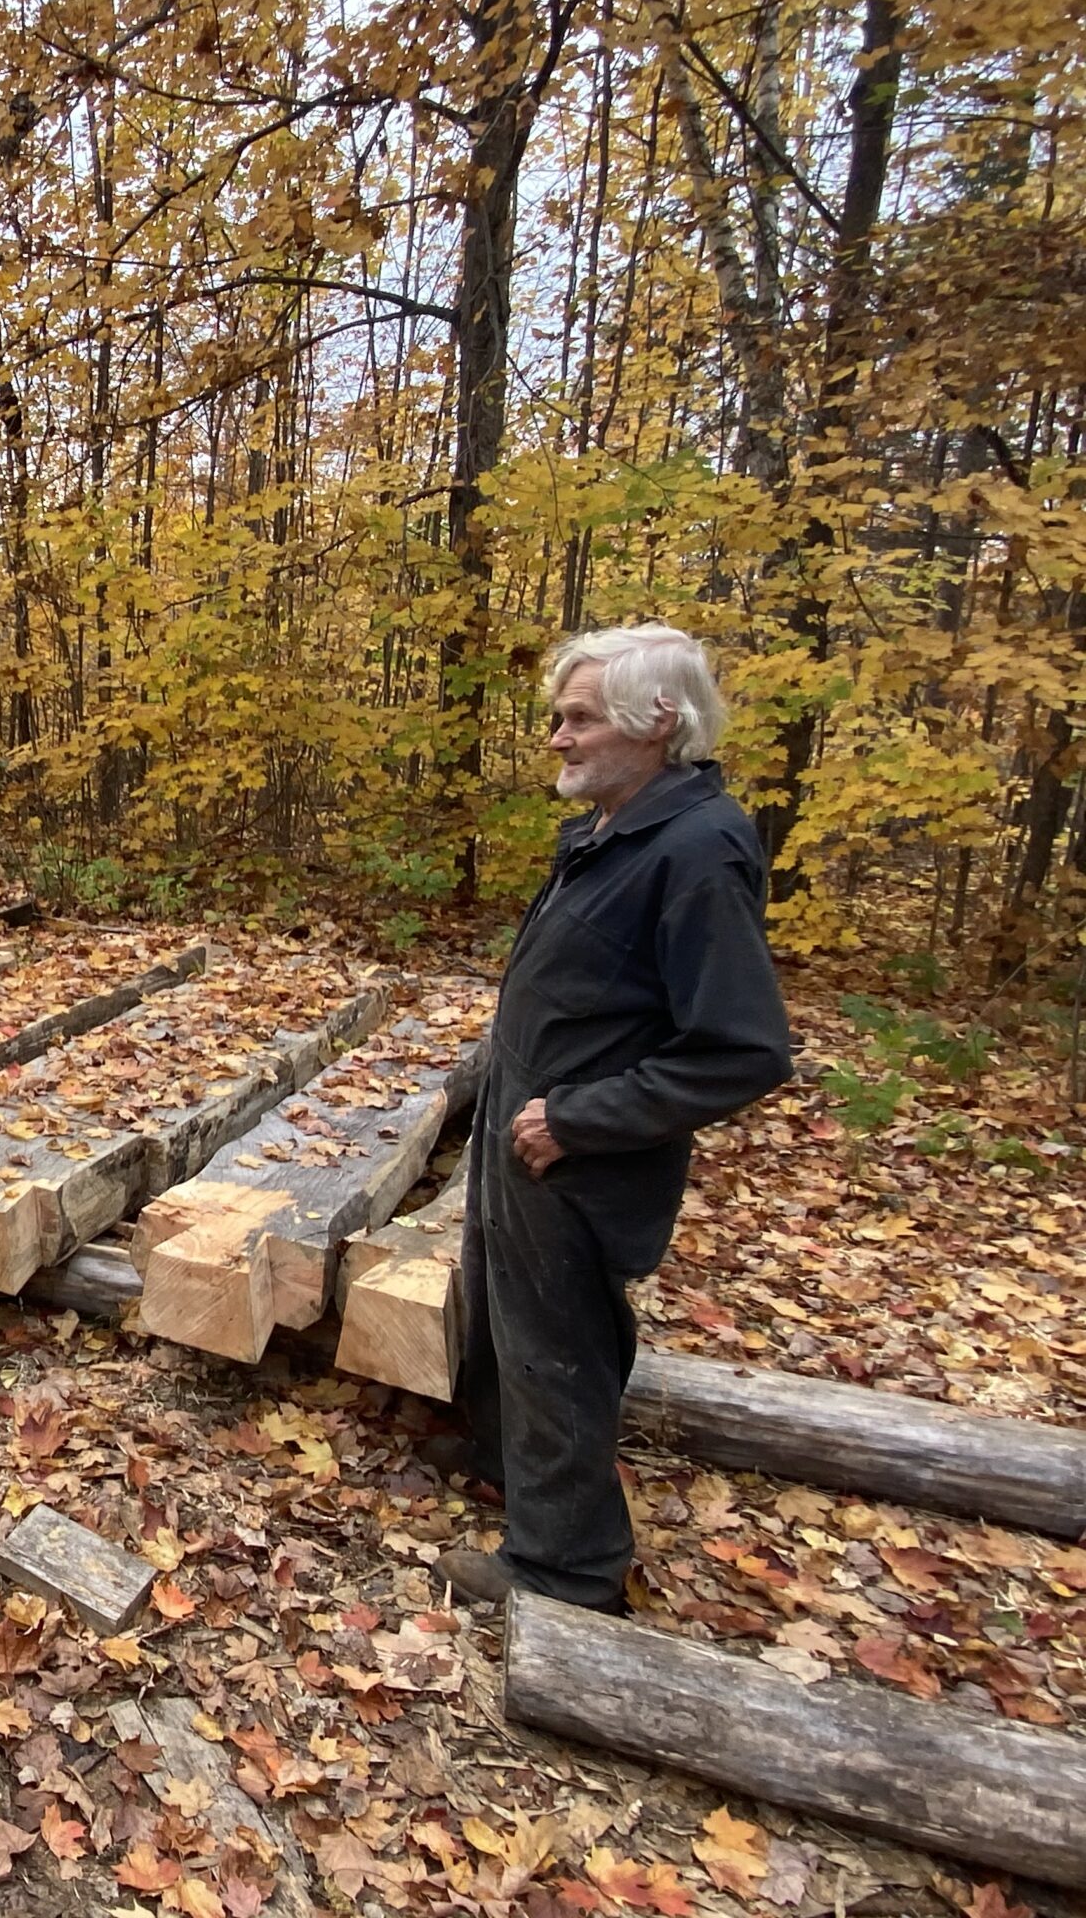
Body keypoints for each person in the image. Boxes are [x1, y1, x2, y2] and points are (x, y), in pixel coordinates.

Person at [435, 624, 793, 1613]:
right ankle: (511, 1472)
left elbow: (744, 1049)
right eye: (559, 717)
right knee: (515, 1325)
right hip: (528, 1130)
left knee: (563, 1348)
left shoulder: (695, 850)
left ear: (656, 720)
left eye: (579, 718)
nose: (557, 737)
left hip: (579, 1156)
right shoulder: (611, 827)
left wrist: (580, 1119)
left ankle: (564, 1572)